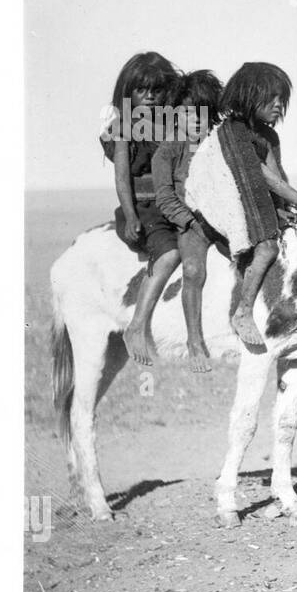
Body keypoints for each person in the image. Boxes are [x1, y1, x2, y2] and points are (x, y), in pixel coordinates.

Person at [213, 63, 297, 351]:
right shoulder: (232, 131)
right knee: (267, 246)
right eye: (271, 98)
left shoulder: (269, 137)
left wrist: (287, 209)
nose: (279, 104)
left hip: (258, 199)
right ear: (248, 96)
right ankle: (243, 312)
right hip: (232, 201)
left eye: (282, 99)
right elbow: (258, 174)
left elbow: (277, 174)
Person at [100, 51, 182, 366]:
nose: (149, 96)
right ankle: (137, 326)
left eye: (156, 90)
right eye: (141, 90)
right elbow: (122, 178)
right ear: (129, 92)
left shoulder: (171, 123)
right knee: (171, 253)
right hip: (144, 208)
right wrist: (131, 215)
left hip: (172, 203)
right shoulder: (123, 126)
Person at [151, 69, 224, 373]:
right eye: (187, 112)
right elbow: (166, 197)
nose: (195, 119)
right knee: (193, 270)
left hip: (222, 218)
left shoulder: (219, 146)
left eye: (202, 114)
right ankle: (195, 340)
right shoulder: (167, 151)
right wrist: (190, 222)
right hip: (191, 223)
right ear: (176, 115)